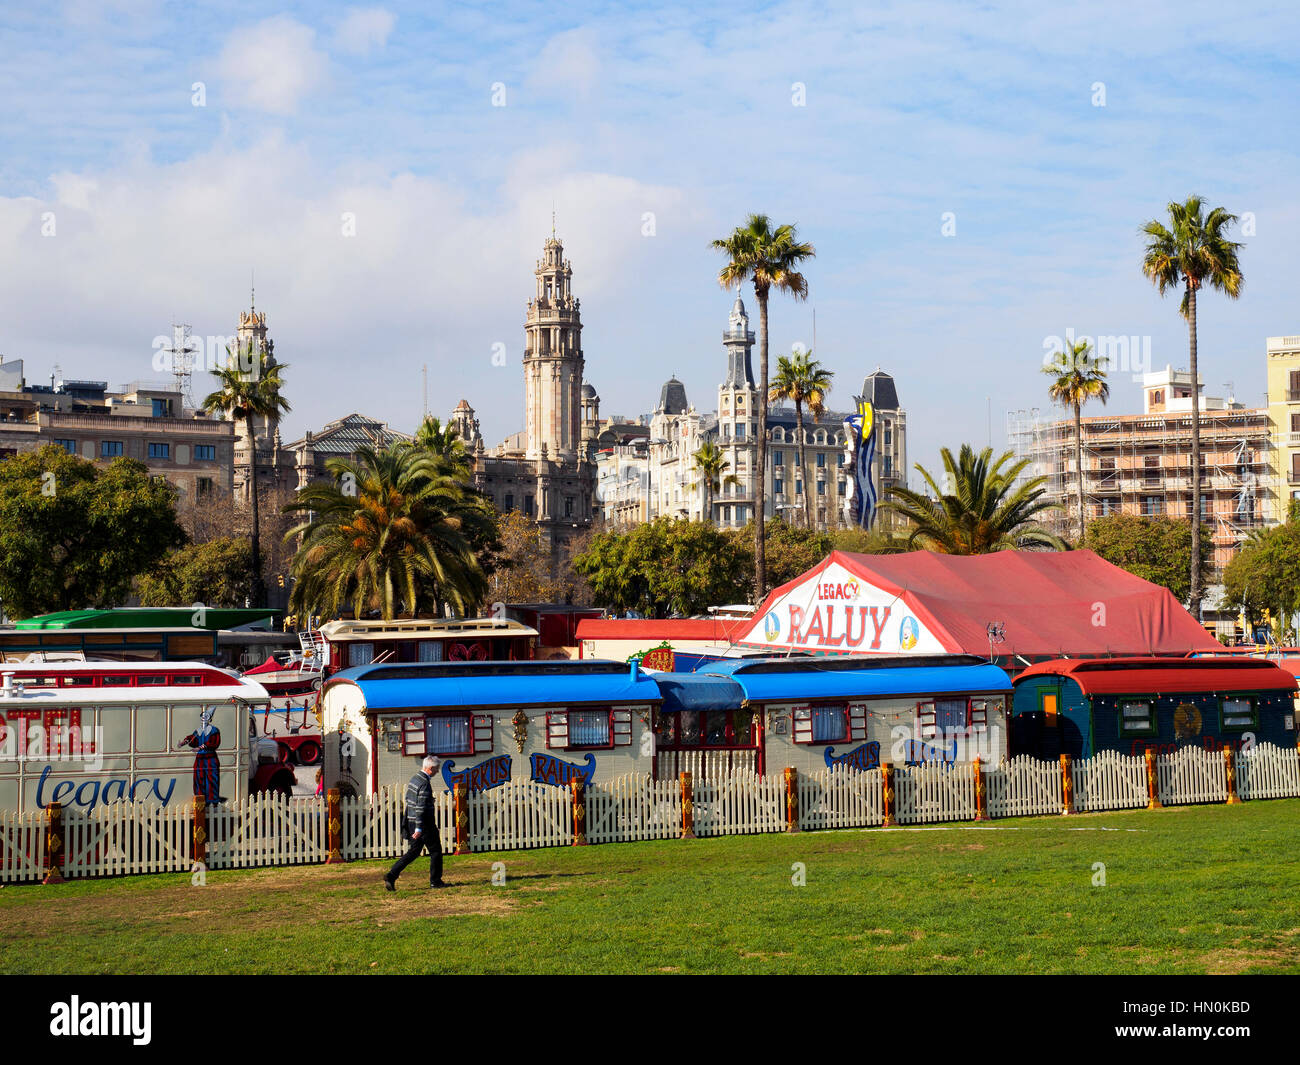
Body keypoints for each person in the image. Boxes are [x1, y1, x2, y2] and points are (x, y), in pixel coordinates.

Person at [384, 755, 446, 890]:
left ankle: (391, 875)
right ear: (430, 768)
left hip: (413, 820)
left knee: (414, 852)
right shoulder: (424, 783)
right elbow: (421, 807)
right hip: (424, 823)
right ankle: (435, 881)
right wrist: (419, 828)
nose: (437, 771)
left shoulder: (415, 778)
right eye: (436, 769)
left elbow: (409, 801)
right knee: (436, 851)